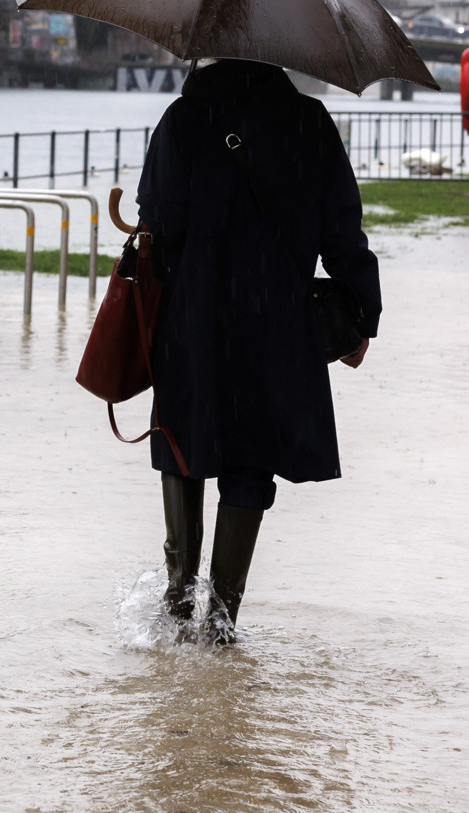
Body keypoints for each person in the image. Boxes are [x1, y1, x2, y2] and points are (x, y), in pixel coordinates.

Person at [134, 59, 379, 643]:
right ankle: (220, 627)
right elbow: (342, 231)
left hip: (190, 318)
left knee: (181, 445)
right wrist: (361, 316)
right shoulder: (308, 122)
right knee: (249, 463)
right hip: (275, 322)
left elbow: (155, 221)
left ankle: (175, 609)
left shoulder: (181, 118)